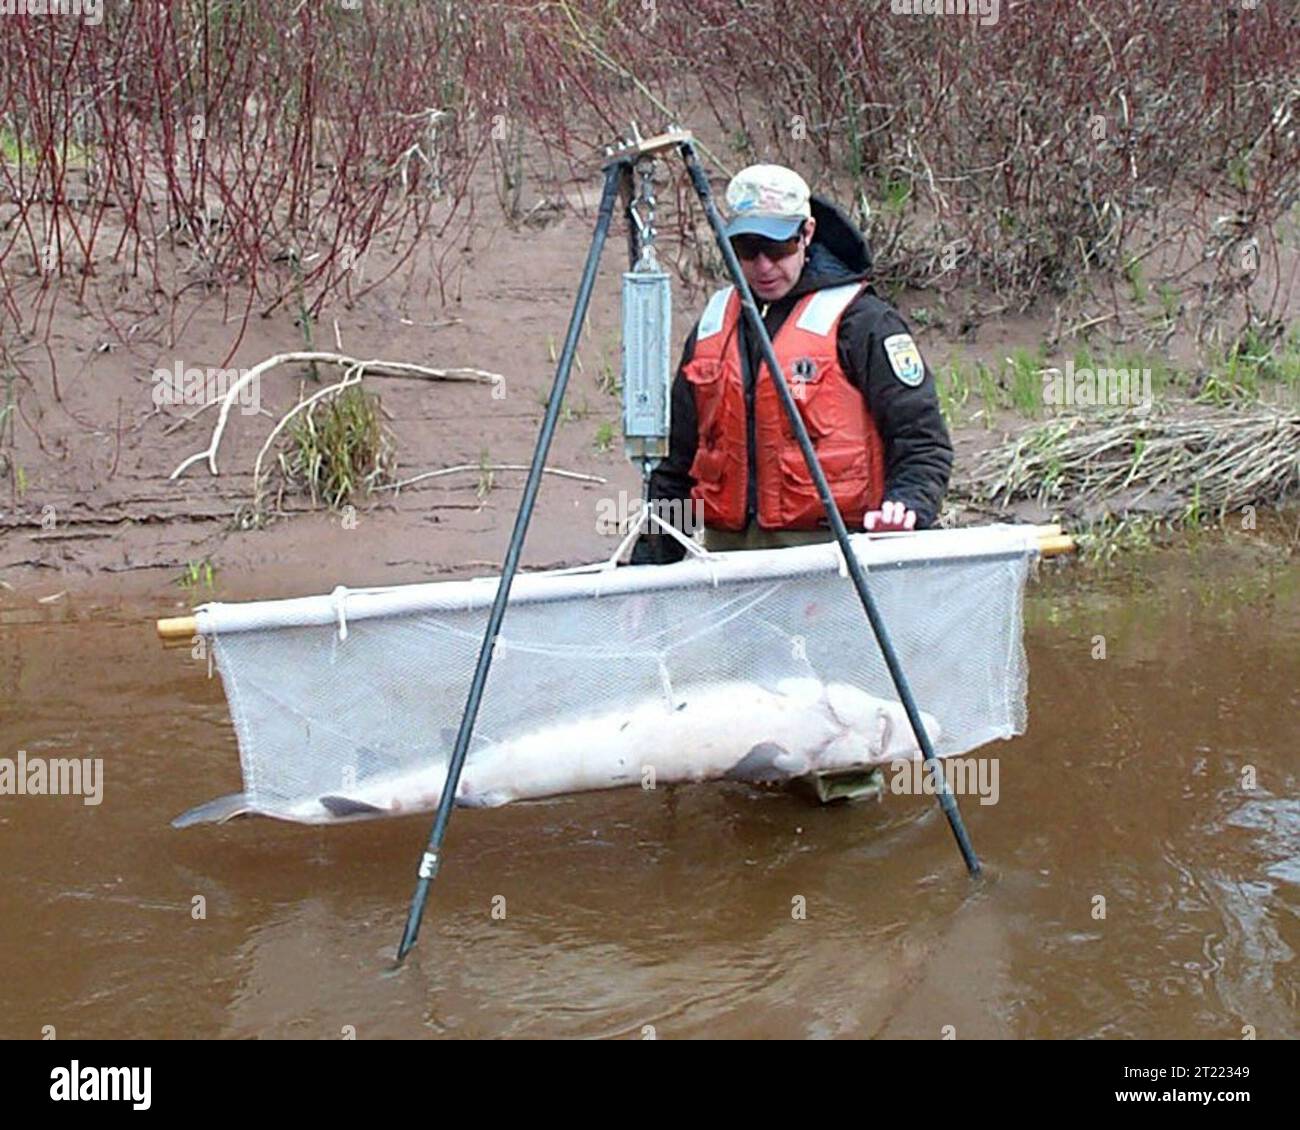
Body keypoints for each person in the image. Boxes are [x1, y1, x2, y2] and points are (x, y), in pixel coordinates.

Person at [629, 163, 952, 564]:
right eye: (747, 250)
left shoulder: (864, 322)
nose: (764, 266)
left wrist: (908, 505)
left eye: (778, 248)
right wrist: (648, 564)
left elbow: (923, 440)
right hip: (729, 562)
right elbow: (677, 467)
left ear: (807, 234)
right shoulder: (712, 327)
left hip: (835, 560)